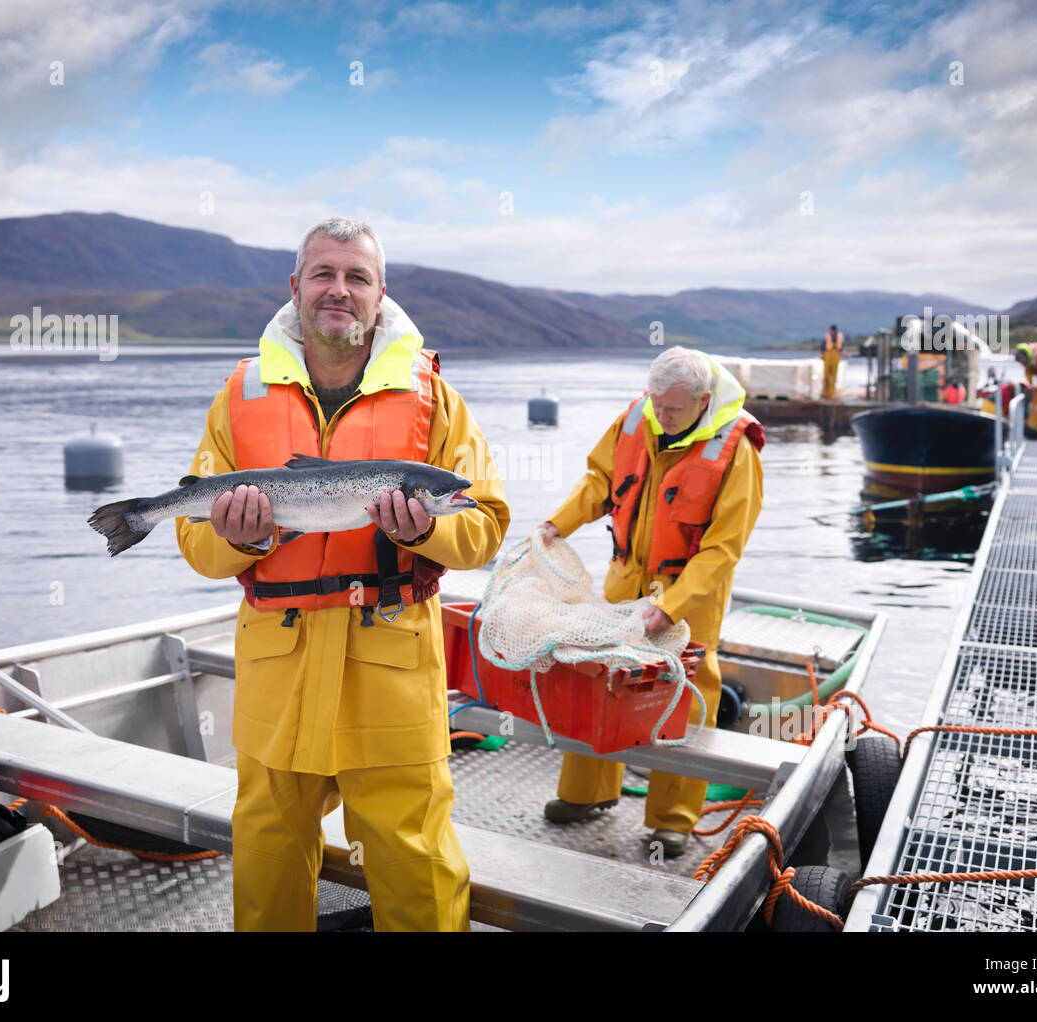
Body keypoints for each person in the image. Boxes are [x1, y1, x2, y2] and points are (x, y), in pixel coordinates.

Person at [175, 217, 510, 931]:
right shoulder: (238, 397)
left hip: (391, 670)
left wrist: (432, 530)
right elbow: (198, 547)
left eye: (357, 277)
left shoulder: (436, 400)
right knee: (266, 858)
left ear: (380, 295)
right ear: (295, 288)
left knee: (414, 864)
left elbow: (484, 528)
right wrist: (244, 539)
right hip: (278, 674)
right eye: (324, 274)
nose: (340, 290)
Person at [535, 346, 764, 858]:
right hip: (624, 578)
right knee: (598, 675)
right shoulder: (639, 416)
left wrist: (672, 605)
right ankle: (587, 793)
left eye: (674, 410)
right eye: (657, 405)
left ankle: (672, 820)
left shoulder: (737, 451)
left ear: (704, 401)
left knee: (682, 693)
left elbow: (724, 549)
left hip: (691, 594)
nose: (661, 418)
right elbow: (600, 480)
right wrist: (557, 524)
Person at [821, 324, 843, 400]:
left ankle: (831, 394)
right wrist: (822, 355)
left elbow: (841, 348)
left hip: (836, 356)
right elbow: (822, 347)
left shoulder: (839, 337)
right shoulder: (827, 337)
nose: (831, 332)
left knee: (833, 376)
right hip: (828, 356)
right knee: (826, 375)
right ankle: (825, 393)